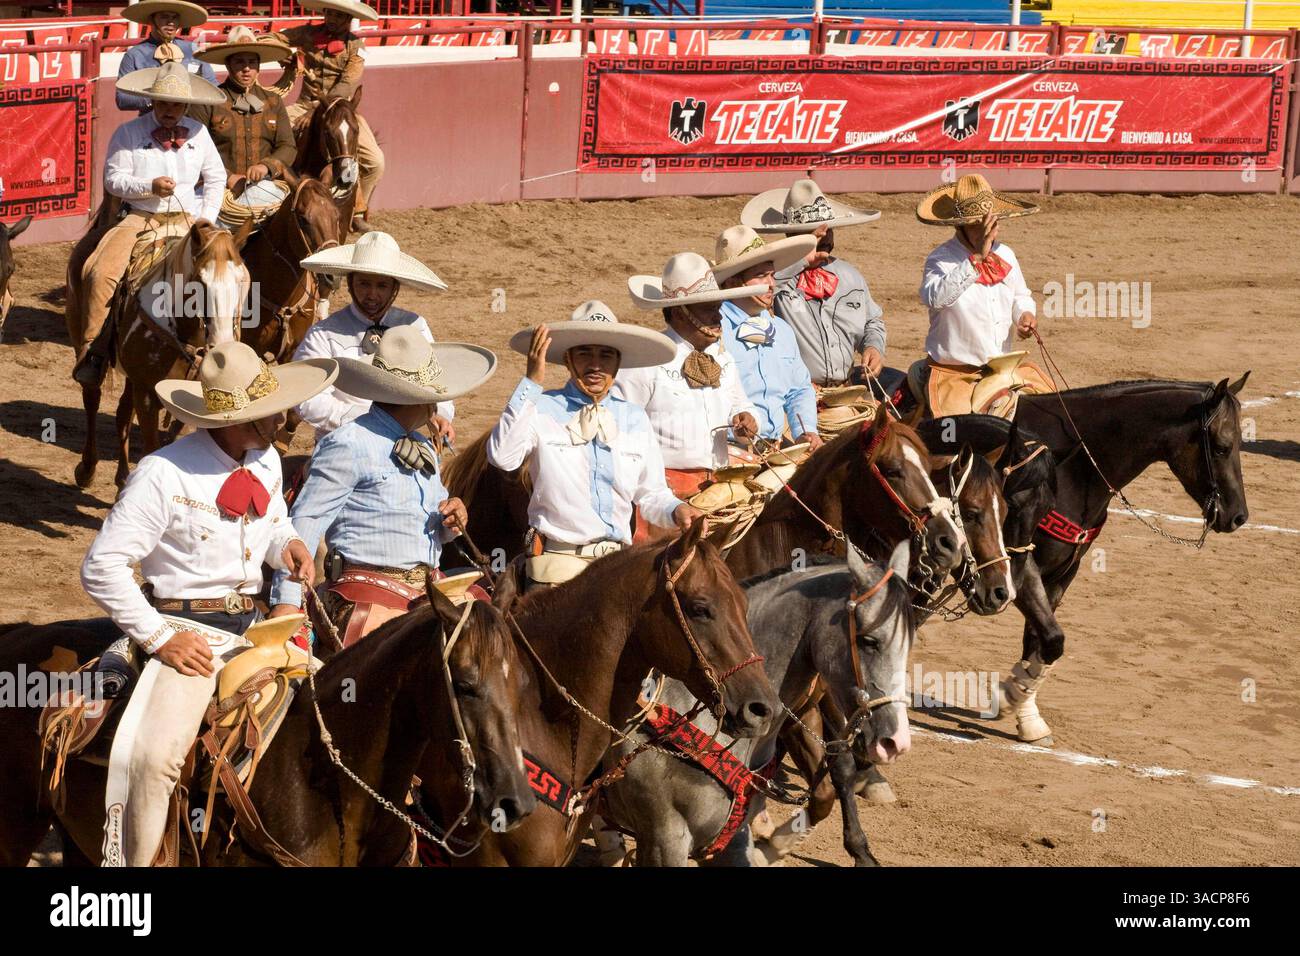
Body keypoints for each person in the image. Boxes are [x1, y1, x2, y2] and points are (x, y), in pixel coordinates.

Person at [82, 342, 335, 866]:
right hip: (185, 632)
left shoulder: (265, 458)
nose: (282, 417)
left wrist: (284, 545)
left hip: (255, 629)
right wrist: (161, 638)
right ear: (235, 418)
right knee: (154, 761)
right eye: (270, 412)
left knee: (335, 711)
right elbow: (101, 567)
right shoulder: (163, 474)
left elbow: (270, 526)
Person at [268, 326, 495, 644]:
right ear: (419, 400)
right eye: (434, 398)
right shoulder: (348, 444)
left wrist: (453, 519)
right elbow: (305, 523)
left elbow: (438, 529)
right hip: (363, 593)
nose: (437, 406)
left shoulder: (425, 446)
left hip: (428, 589)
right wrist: (287, 603)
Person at [488, 301, 699, 588]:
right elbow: (502, 456)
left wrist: (676, 509)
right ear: (568, 359)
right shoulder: (540, 408)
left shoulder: (634, 417)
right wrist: (531, 382)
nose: (596, 365)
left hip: (617, 569)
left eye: (606, 355)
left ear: (618, 363)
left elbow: (650, 493)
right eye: (585, 352)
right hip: (554, 569)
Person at [74, 61, 226, 388]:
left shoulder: (199, 133)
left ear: (187, 105)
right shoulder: (128, 133)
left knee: (230, 274)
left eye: (177, 103)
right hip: (141, 219)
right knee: (102, 273)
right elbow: (113, 179)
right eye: (164, 102)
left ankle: (230, 346)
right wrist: (149, 187)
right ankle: (95, 352)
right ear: (152, 102)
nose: (170, 110)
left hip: (189, 221)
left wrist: (206, 221)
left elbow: (216, 177)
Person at [616, 252, 759, 509]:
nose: (719, 317)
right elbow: (621, 430)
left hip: (719, 486)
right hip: (662, 491)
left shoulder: (723, 359)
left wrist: (746, 418)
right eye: (708, 310)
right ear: (681, 314)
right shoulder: (646, 361)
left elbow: (740, 404)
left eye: (718, 308)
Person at [291, 230, 455, 441]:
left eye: (382, 286)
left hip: (405, 440)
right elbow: (307, 397)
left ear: (394, 287)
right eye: (364, 284)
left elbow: (436, 380)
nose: (372, 294)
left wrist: (440, 414)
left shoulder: (415, 326)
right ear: (350, 283)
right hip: (343, 440)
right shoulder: (323, 334)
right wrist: (368, 420)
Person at [914, 173, 1053, 417]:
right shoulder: (941, 259)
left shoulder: (1006, 254)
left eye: (990, 222)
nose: (986, 230)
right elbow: (935, 298)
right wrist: (976, 259)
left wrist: (1024, 314)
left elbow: (1021, 295)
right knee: (958, 436)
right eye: (977, 224)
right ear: (960, 225)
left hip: (1002, 367)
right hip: (954, 372)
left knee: (1050, 410)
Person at [742, 178, 887, 387]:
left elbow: (872, 321)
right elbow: (753, 298)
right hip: (794, 390)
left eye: (828, 230)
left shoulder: (850, 277)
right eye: (815, 234)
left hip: (844, 390)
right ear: (791, 236)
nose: (824, 238)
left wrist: (873, 346)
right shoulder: (774, 277)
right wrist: (801, 260)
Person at [274, 0, 384, 234]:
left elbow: (346, 85)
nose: (333, 19)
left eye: (340, 15)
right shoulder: (307, 33)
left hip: (340, 112)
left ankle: (355, 209)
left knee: (375, 162)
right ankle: (276, 201)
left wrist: (316, 111)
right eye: (330, 13)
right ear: (324, 13)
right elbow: (274, 38)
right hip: (302, 106)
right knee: (274, 133)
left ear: (349, 19)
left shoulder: (356, 47)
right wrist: (282, 54)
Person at [711, 224, 822, 452]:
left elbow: (799, 388)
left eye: (771, 275)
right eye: (760, 276)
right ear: (732, 283)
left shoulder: (781, 330)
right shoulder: (712, 333)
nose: (771, 283)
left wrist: (805, 430)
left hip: (777, 448)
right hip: (729, 450)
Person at [188, 27, 297, 228]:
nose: (246, 68)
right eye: (239, 62)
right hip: (215, 188)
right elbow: (193, 149)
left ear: (259, 67)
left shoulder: (273, 101)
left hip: (264, 187)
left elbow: (288, 146)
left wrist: (266, 166)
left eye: (252, 62)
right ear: (228, 65)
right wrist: (227, 177)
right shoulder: (208, 101)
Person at [116, 1, 217, 115]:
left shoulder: (193, 50)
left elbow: (213, 87)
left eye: (175, 17)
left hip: (191, 121)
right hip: (152, 125)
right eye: (164, 17)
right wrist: (157, 96)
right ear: (151, 20)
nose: (171, 22)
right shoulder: (135, 55)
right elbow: (122, 98)